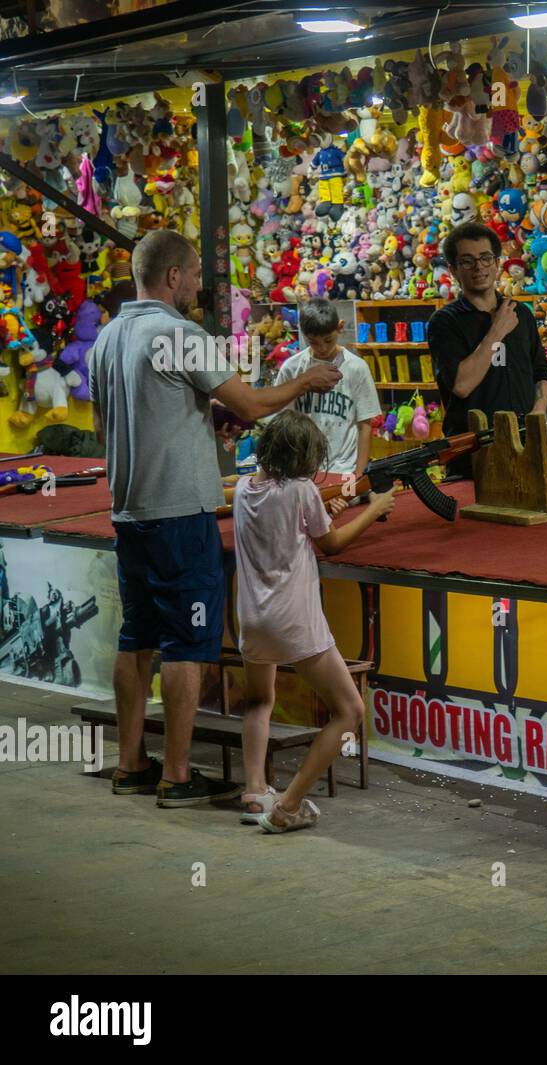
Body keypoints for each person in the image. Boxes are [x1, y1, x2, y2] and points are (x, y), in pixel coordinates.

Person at [88, 228, 342, 807]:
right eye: (197, 274)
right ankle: (178, 776)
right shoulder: (182, 334)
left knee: (136, 638)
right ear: (173, 277)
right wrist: (303, 380)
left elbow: (107, 431)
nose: (200, 284)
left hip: (129, 512)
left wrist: (200, 416)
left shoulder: (106, 339)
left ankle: (130, 765)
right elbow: (253, 406)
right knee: (186, 644)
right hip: (180, 512)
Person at [233, 411, 395, 832]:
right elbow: (333, 544)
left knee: (258, 702)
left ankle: (254, 791)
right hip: (295, 621)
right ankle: (288, 805)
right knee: (350, 710)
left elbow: (292, 527)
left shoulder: (242, 491)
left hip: (253, 618)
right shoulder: (303, 491)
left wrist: (328, 511)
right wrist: (374, 507)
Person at [428, 221, 547, 477]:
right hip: (472, 458)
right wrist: (496, 331)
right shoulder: (445, 322)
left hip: (525, 450)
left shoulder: (521, 315)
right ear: (453, 270)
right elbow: (461, 385)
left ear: (497, 262)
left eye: (485, 258)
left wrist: (538, 413)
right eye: (467, 261)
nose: (479, 267)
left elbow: (541, 372)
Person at [273, 298, 381, 478]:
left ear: (340, 326)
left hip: (344, 471)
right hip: (302, 471)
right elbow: (283, 424)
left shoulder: (357, 368)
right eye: (313, 342)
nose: (322, 348)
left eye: (328, 340)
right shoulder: (291, 368)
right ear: (303, 333)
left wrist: (359, 475)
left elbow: (365, 425)